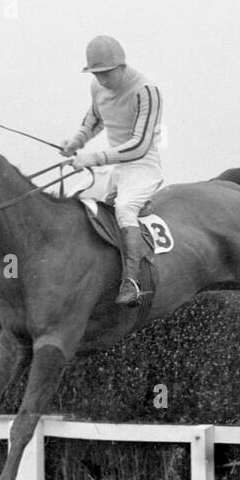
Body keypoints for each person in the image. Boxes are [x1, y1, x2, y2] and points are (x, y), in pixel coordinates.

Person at [60, 35, 164, 306]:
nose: (102, 79)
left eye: (106, 73)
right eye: (97, 74)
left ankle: (132, 282)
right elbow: (94, 119)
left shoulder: (146, 91)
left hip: (142, 166)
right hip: (116, 167)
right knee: (75, 201)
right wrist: (75, 142)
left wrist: (92, 158)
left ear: (121, 65)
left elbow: (140, 146)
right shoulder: (97, 87)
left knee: (124, 208)